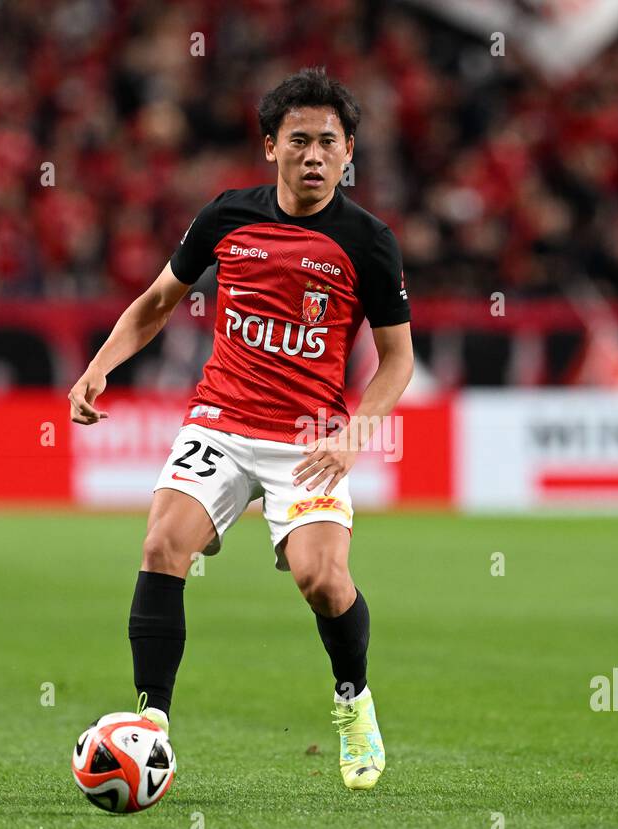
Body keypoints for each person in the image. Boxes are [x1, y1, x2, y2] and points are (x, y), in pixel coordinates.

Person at [67, 67, 413, 790]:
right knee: (163, 541)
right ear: (269, 146)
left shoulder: (368, 242)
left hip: (308, 439)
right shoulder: (228, 217)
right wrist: (101, 364)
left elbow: (398, 359)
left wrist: (354, 433)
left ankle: (353, 699)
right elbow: (159, 300)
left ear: (349, 152)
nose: (314, 155)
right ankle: (151, 723)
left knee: (323, 579)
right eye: (299, 141)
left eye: (328, 142)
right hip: (220, 422)